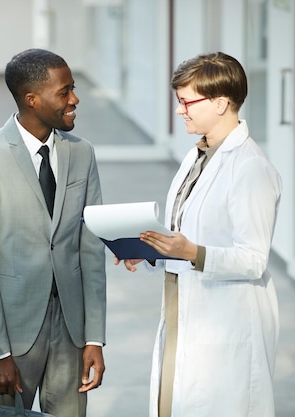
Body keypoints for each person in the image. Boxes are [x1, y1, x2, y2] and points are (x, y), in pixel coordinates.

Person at [116, 52, 282, 417]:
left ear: (221, 102)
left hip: (225, 319)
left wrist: (193, 252)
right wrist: (151, 250)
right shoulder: (199, 155)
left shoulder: (250, 167)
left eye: (186, 101)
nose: (180, 111)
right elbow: (186, 231)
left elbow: (254, 258)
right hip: (184, 308)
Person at [0, 48, 106, 417]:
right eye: (65, 91)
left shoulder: (83, 153)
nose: (74, 99)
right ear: (32, 99)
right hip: (12, 332)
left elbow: (91, 249)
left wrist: (94, 338)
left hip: (71, 330)